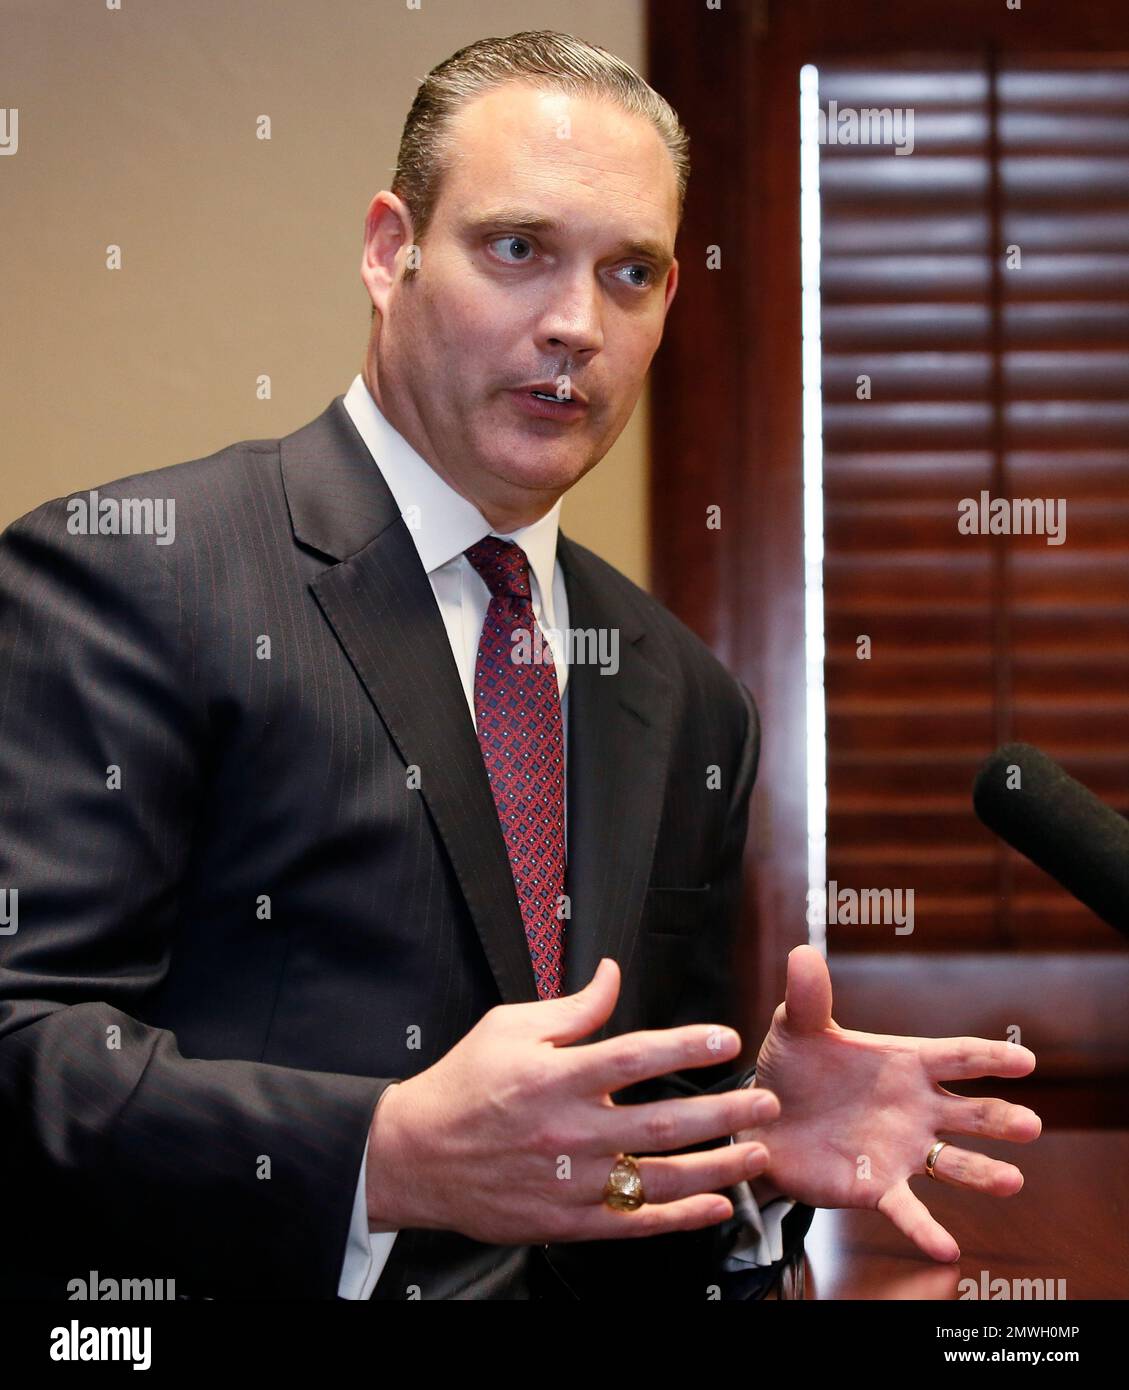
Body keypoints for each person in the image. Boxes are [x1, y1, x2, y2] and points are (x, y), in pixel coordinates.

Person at [0, 30, 1040, 1301]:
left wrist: (752, 1146)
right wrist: (375, 1160)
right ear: (389, 252)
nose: (573, 326)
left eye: (631, 273)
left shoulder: (683, 689)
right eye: (516, 250)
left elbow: (625, 1156)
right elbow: (23, 1045)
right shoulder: (134, 576)